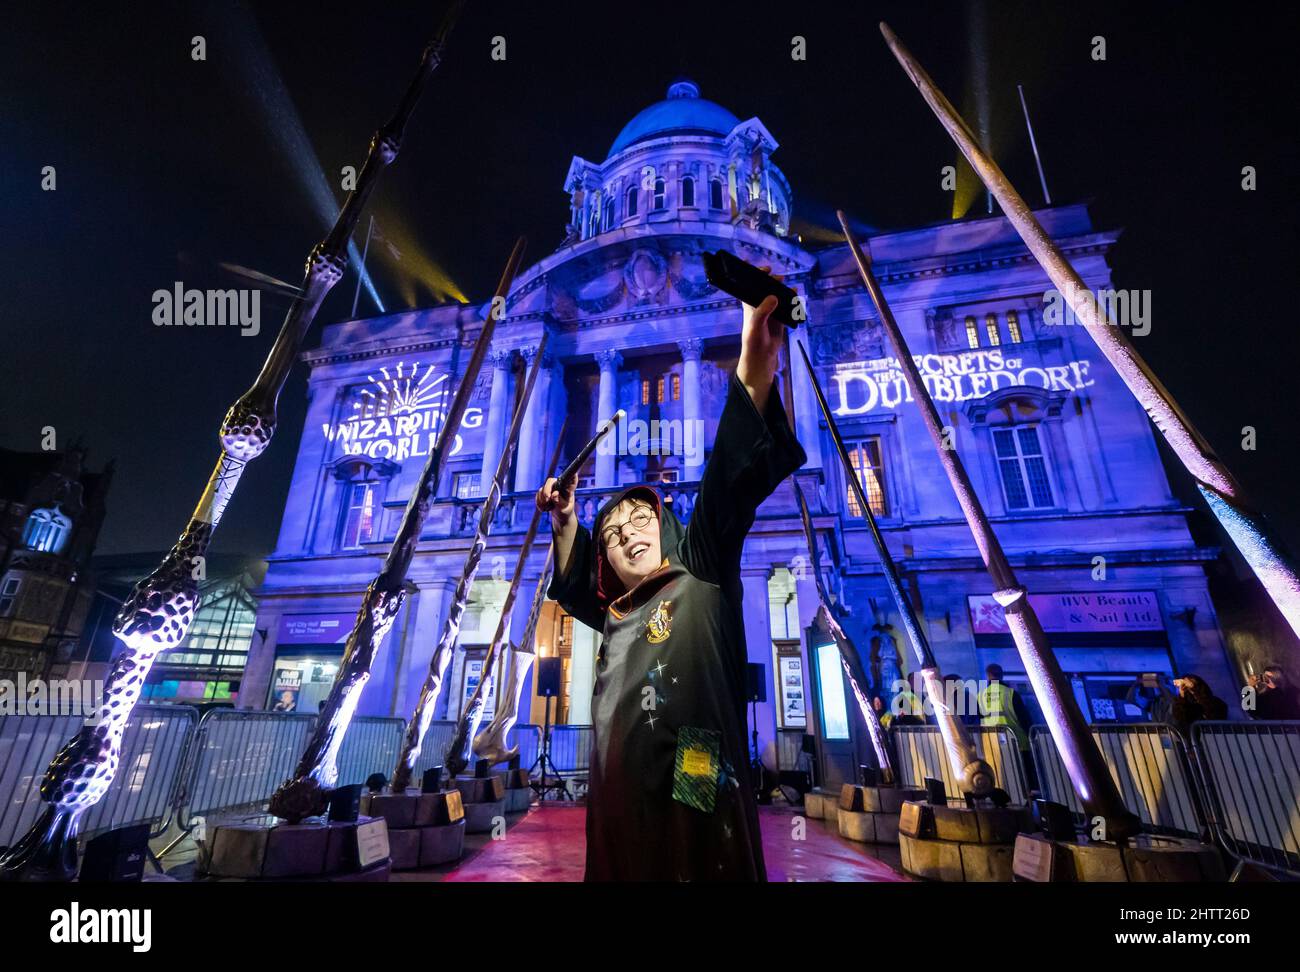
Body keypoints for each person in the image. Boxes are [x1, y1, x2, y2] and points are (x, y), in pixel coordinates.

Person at [539, 294, 804, 882]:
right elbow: (577, 587)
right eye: (611, 533)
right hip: (619, 801)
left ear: (665, 526)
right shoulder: (612, 610)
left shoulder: (701, 568)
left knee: (697, 855)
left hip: (695, 773)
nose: (627, 532)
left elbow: (728, 475)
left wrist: (754, 369)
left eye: (639, 519)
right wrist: (566, 524)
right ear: (603, 559)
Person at [977, 664, 1030, 754]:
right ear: (1002, 675)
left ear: (988, 675)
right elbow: (1024, 718)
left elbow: (979, 720)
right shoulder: (1010, 693)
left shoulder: (980, 696)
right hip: (1017, 742)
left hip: (993, 744)